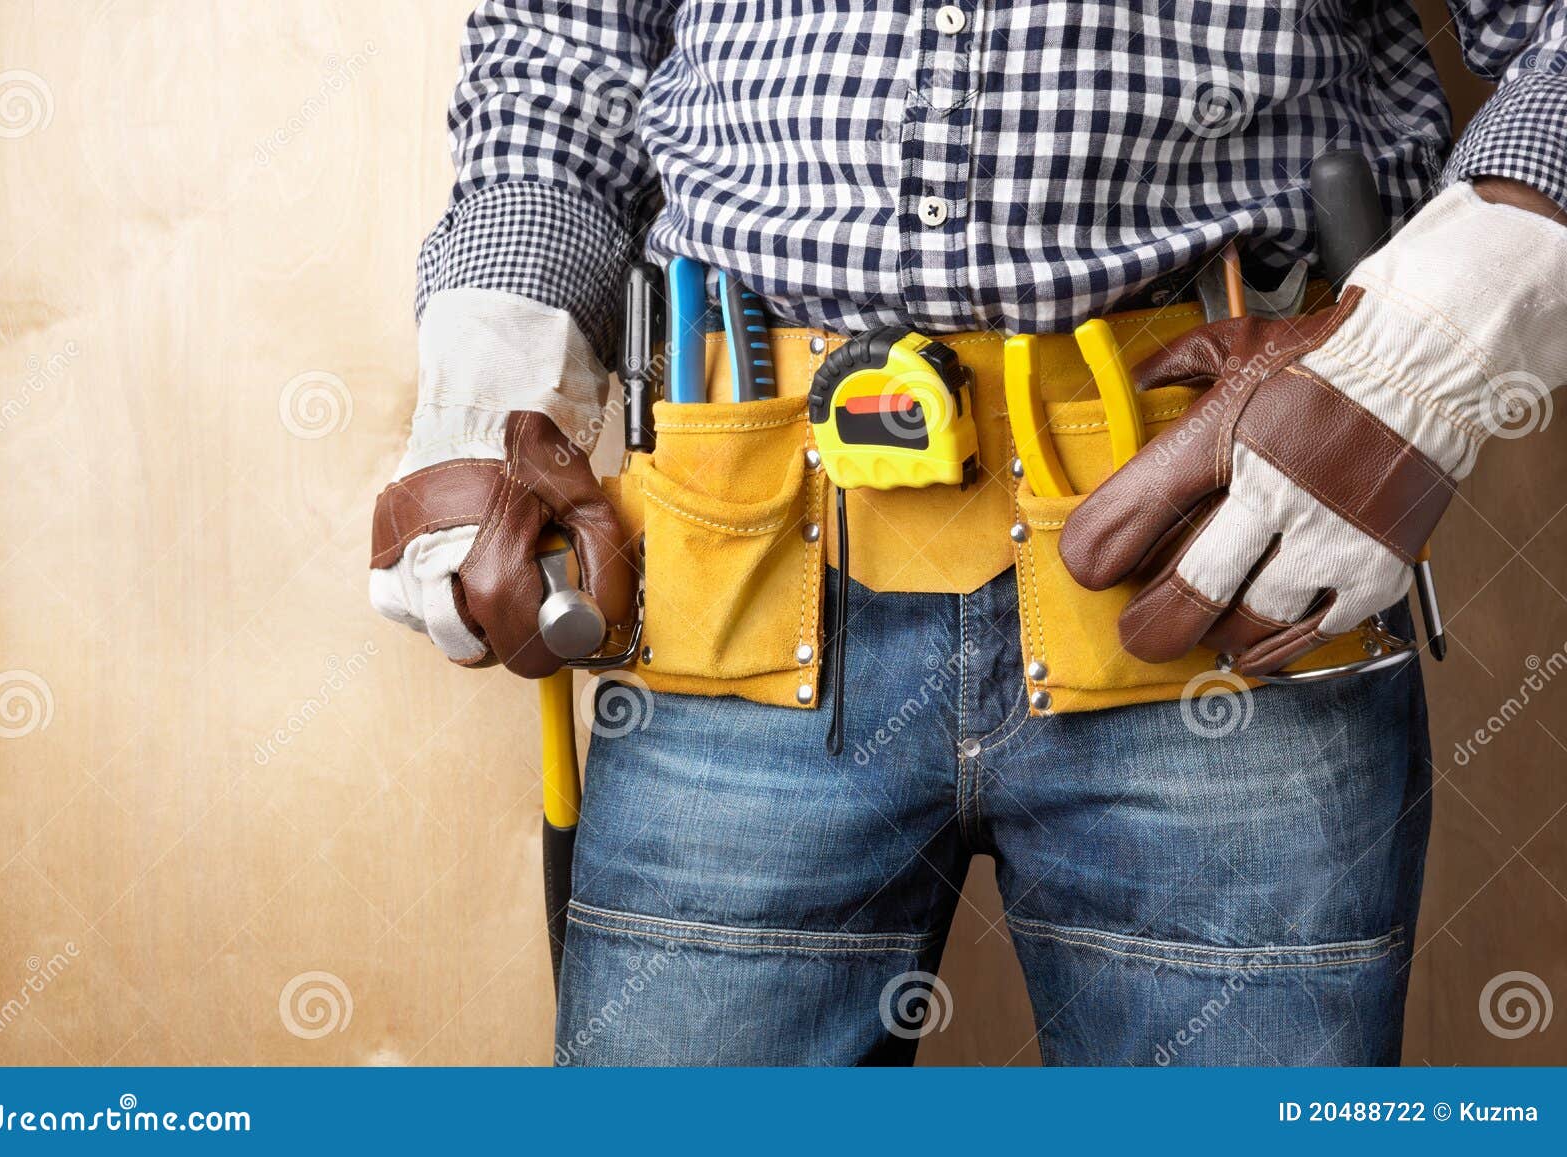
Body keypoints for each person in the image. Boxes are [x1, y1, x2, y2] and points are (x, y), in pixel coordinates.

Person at [370, 2, 1567, 1065]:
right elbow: (562, 62)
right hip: (737, 574)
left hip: (1227, 550)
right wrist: (493, 380)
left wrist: (1426, 359)